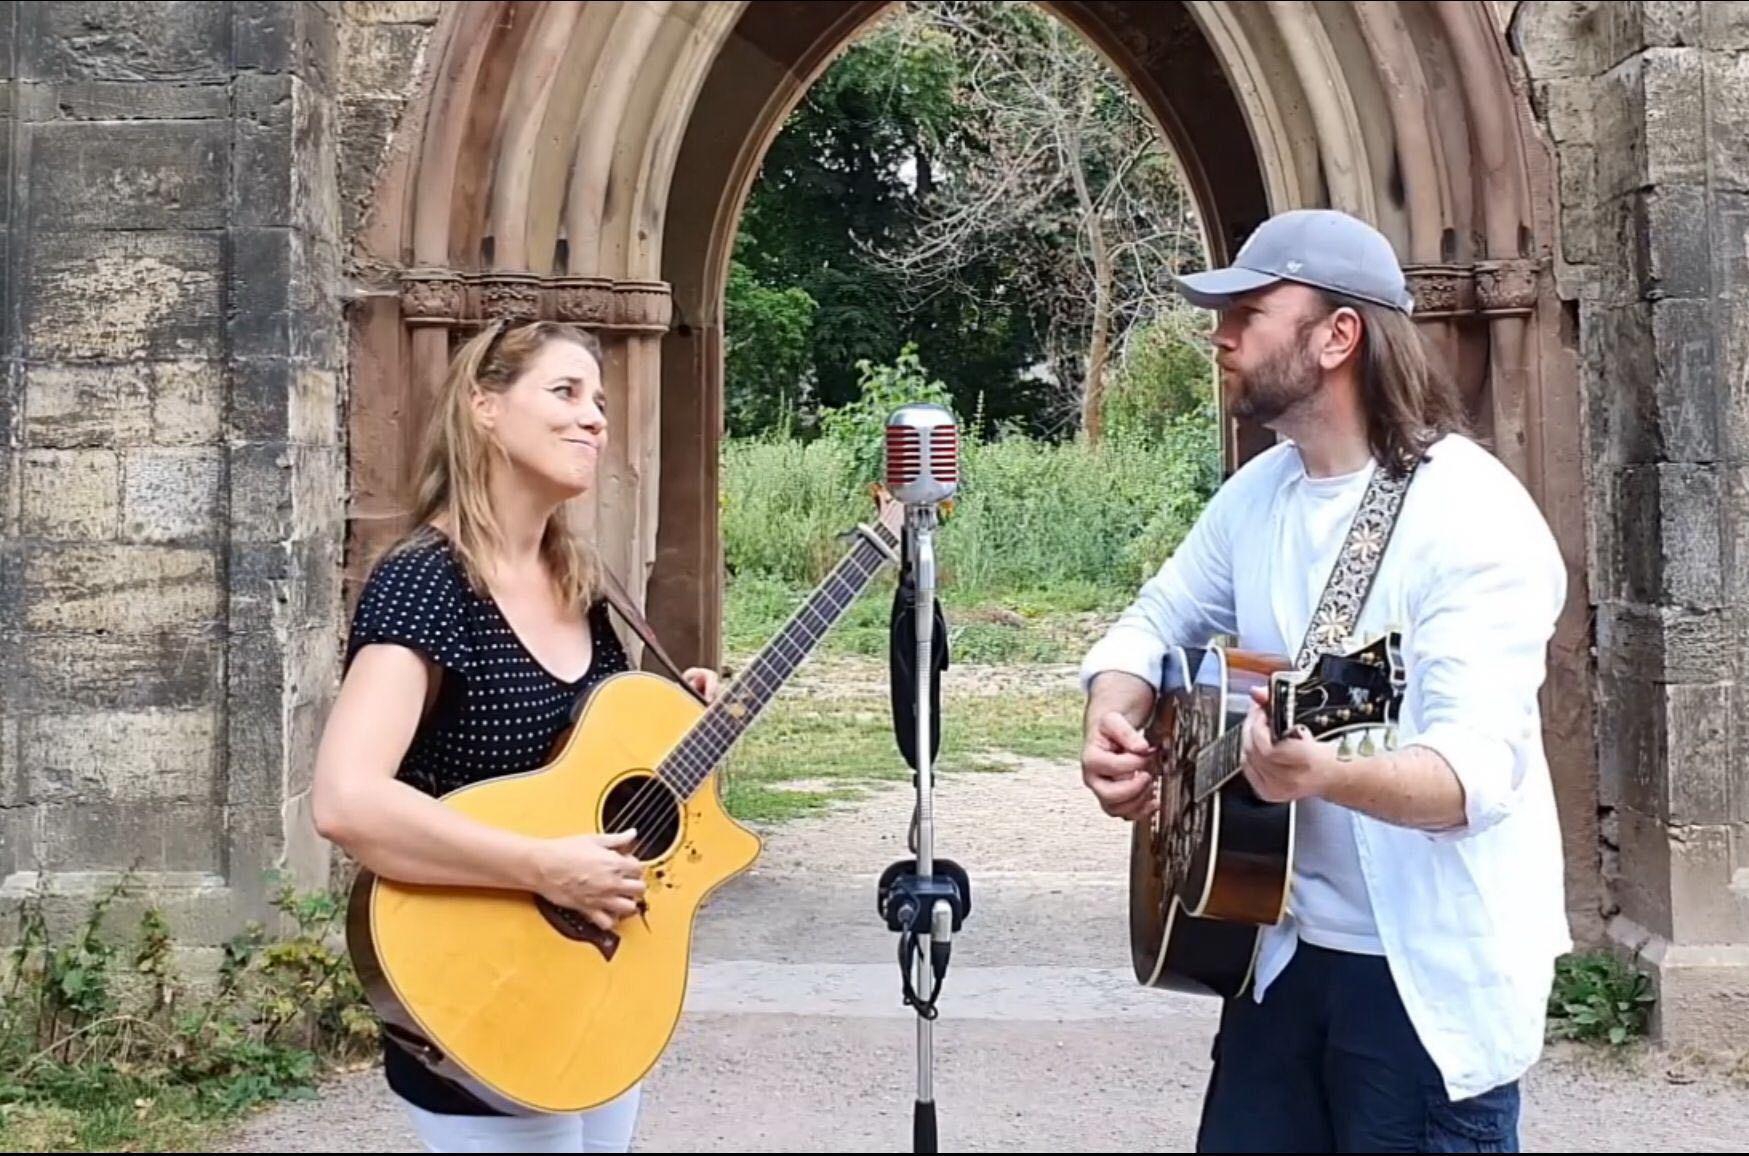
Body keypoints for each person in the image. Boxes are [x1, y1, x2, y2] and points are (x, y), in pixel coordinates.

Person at [1078, 209, 1570, 1152]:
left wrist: (1324, 774)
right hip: (1278, 954)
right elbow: (1150, 623)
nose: (1220, 336)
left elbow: (1472, 780)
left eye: (1249, 311)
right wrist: (1116, 709)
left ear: (1337, 336)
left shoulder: (1470, 519)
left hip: (1418, 986)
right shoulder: (1258, 494)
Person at [312, 318, 721, 1153]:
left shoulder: (581, 582)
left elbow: (586, 772)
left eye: (600, 401)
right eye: (565, 392)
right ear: (484, 407)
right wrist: (544, 867)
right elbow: (346, 801)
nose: (595, 418)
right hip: (478, 980)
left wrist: (683, 729)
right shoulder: (426, 582)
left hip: (591, 977)